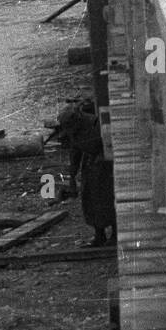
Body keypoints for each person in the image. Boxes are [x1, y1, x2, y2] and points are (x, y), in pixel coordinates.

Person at [56, 102, 115, 245]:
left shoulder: (95, 123)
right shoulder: (73, 130)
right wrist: (72, 178)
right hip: (89, 163)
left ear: (78, 119)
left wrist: (100, 160)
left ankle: (115, 233)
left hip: (104, 163)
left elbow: (106, 144)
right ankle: (99, 234)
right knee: (89, 199)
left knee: (107, 198)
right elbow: (74, 153)